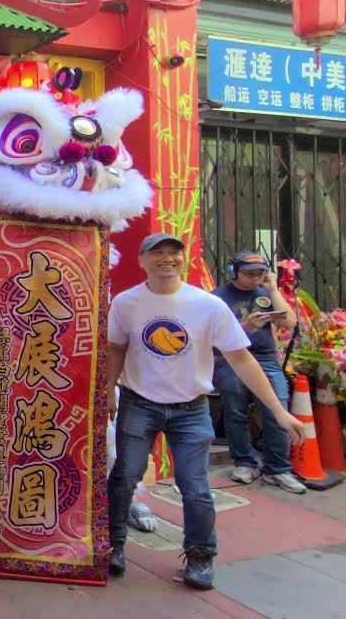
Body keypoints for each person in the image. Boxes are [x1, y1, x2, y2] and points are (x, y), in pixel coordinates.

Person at [106, 233, 305, 591]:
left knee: (195, 487)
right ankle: (113, 545)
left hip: (191, 409)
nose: (166, 259)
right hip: (139, 403)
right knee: (124, 476)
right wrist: (108, 392)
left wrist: (278, 411)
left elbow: (241, 358)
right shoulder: (126, 303)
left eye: (173, 253)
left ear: (183, 259)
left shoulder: (207, 305)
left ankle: (200, 557)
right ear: (141, 260)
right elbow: (115, 350)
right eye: (157, 253)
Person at [212, 251, 305, 494]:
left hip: (265, 357)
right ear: (234, 272)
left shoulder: (264, 293)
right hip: (230, 358)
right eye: (249, 273)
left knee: (277, 409)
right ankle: (244, 462)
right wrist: (247, 325)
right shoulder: (217, 298)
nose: (255, 279)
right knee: (235, 410)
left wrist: (273, 289)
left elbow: (290, 322)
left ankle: (278, 468)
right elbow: (213, 337)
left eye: (260, 273)